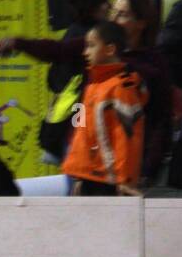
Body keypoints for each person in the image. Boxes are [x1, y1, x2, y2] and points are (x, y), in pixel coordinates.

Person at [0, 0, 112, 165]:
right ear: (92, 4)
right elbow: (58, 52)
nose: (109, 7)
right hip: (79, 122)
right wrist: (19, 43)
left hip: (72, 122)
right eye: (104, 2)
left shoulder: (77, 31)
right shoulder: (91, 36)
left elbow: (57, 60)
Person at [60, 19, 147, 195]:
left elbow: (129, 137)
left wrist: (126, 179)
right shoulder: (93, 85)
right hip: (86, 176)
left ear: (109, 49)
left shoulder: (120, 88)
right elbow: (81, 130)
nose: (85, 52)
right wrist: (78, 174)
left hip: (107, 180)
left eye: (91, 45)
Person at [109, 0, 172, 186]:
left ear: (141, 23)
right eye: (113, 12)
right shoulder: (101, 54)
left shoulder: (154, 64)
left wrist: (150, 164)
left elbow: (161, 117)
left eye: (122, 14)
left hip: (133, 160)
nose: (114, 19)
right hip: (97, 159)